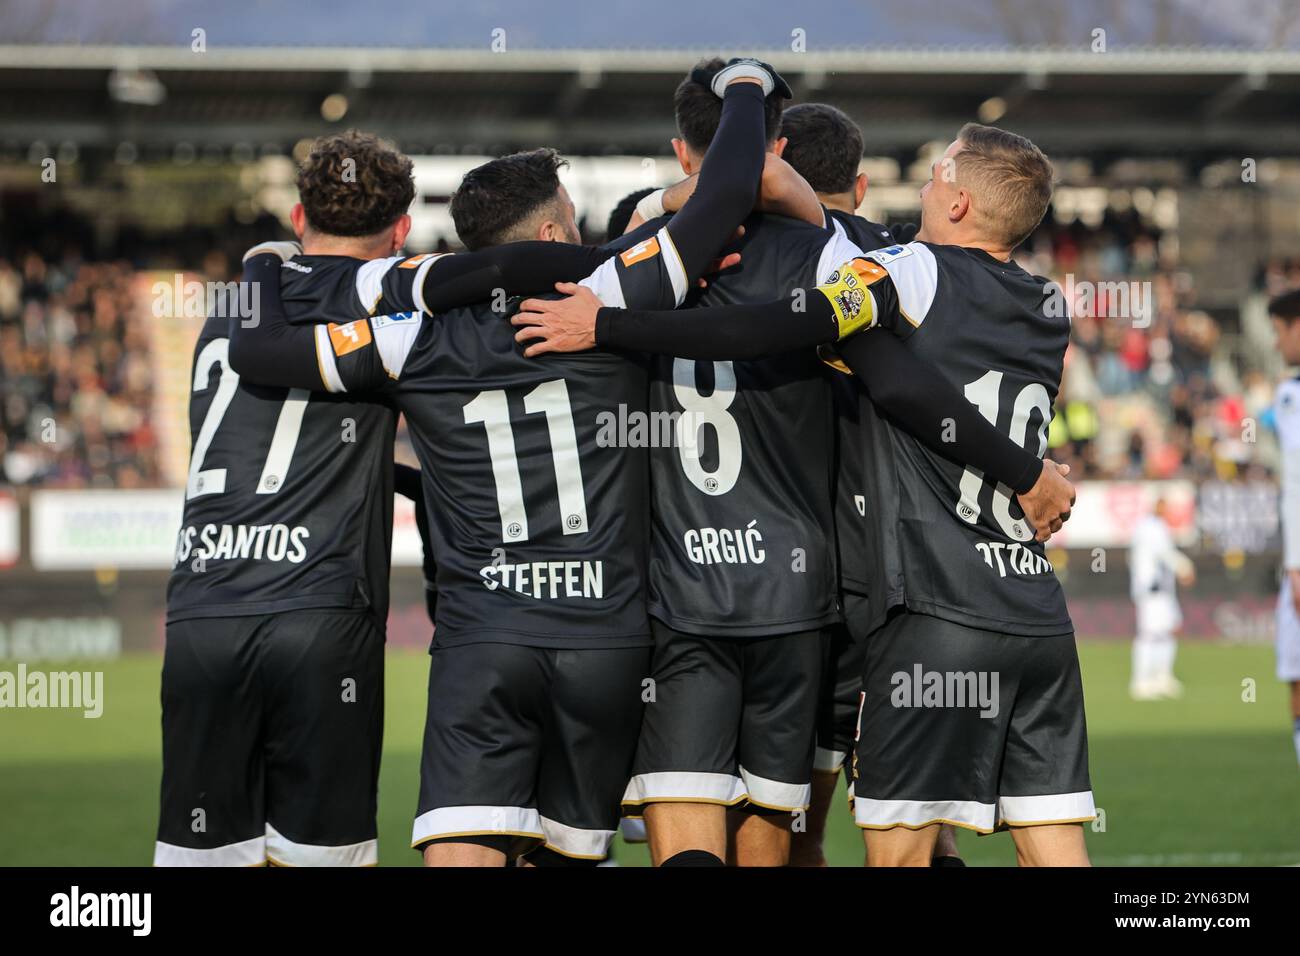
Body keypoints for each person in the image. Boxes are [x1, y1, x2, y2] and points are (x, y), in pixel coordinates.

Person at [232, 61, 789, 866]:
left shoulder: (411, 335)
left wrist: (263, 263)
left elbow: (259, 347)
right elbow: (731, 190)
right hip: (607, 646)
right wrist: (744, 84)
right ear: (557, 232)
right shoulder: (611, 294)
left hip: (485, 644)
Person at [514, 122, 1092, 866]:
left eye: (937, 171)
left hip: (930, 606)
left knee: (896, 852)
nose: (922, 182)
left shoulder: (908, 271)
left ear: (956, 202)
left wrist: (612, 323)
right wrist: (1029, 471)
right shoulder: (1048, 305)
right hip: (1036, 612)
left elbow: (784, 325)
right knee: (1056, 848)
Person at [1269, 288, 1300, 766]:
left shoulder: (1292, 394)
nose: (1276, 344)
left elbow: (1296, 477)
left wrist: (1295, 564)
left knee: (1295, 671)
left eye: (1280, 331)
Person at [1128, 498, 1194, 701]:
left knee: (1167, 633)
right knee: (1149, 635)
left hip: (1163, 590)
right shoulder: (1150, 527)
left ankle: (1162, 677)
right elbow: (1164, 553)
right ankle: (1141, 681)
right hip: (1152, 589)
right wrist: (1184, 566)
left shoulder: (1156, 526)